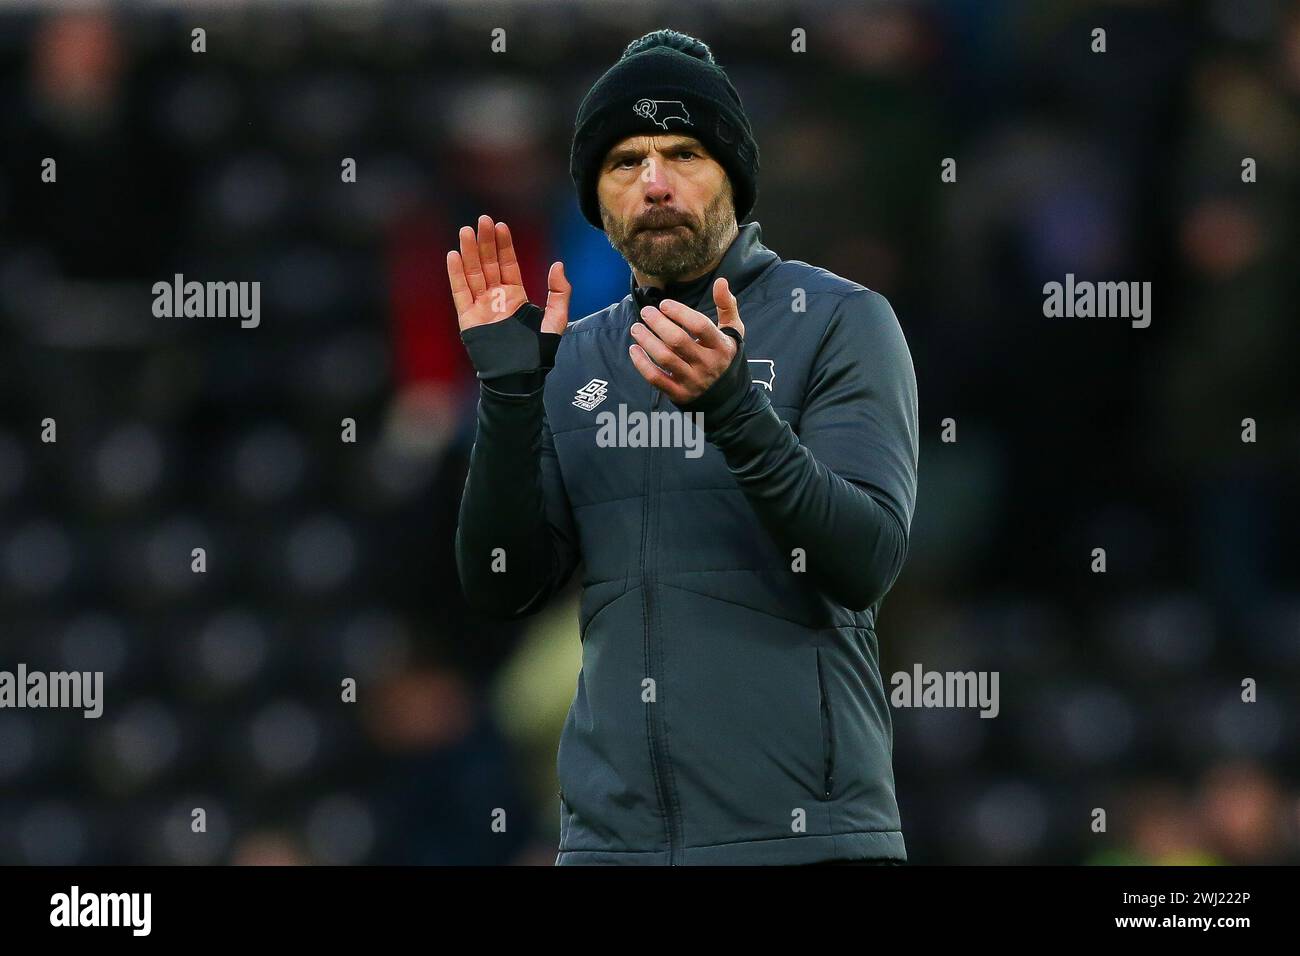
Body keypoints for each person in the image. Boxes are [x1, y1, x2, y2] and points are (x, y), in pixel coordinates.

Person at [448, 29, 919, 865]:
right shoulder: (575, 357)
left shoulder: (842, 321)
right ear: (596, 197)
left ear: (733, 176)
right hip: (611, 847)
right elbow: (501, 587)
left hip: (802, 841)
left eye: (684, 152)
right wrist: (510, 397)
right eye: (625, 161)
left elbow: (862, 560)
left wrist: (734, 408)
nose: (655, 182)